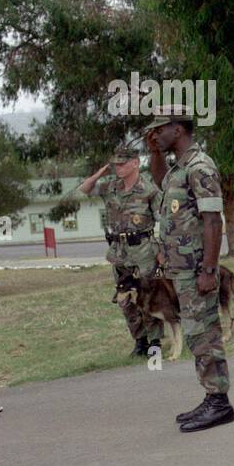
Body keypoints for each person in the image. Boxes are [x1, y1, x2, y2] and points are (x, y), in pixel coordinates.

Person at [144, 115, 234, 433]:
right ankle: (212, 396)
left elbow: (213, 220)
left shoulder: (199, 166)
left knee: (204, 334)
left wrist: (209, 270)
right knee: (197, 335)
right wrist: (154, 152)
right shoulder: (179, 168)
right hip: (182, 271)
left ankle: (219, 403)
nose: (155, 135)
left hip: (197, 270)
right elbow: (160, 182)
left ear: (178, 129)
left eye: (160, 130)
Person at [78, 144, 162, 357]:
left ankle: (155, 342)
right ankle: (140, 341)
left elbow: (165, 220)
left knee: (148, 296)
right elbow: (84, 189)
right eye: (116, 164)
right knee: (125, 299)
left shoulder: (149, 190)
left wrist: (164, 250)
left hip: (143, 251)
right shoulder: (110, 188)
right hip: (119, 253)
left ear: (135, 163)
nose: (118, 168)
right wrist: (100, 173)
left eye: (123, 164)